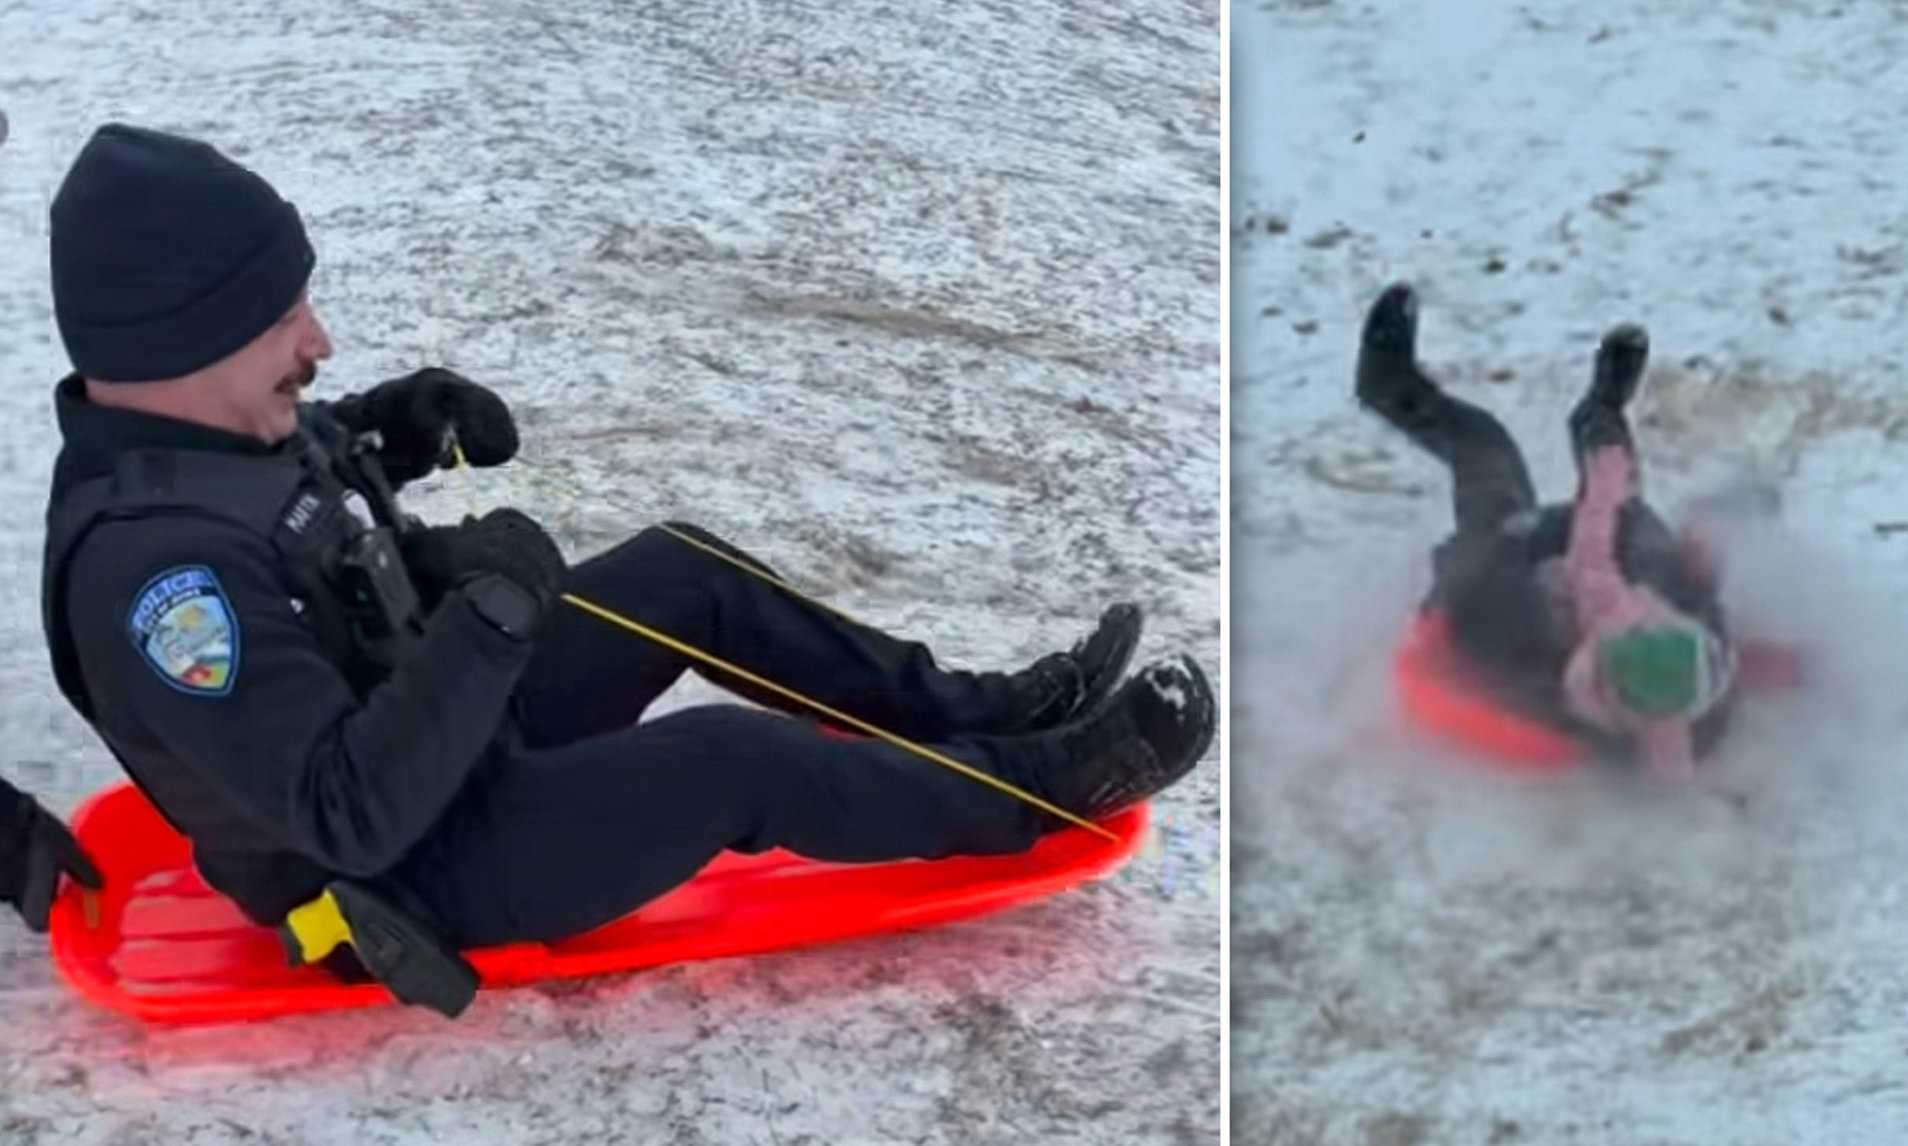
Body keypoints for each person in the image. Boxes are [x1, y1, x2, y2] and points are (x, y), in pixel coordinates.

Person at [35, 123, 1216, 979]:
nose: (319, 340)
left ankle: (988, 711)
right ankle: (1039, 790)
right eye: (282, 319)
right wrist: (493, 613)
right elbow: (350, 815)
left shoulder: (201, 429)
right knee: (730, 762)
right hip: (405, 875)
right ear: (185, 334)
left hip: (447, 738)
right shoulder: (158, 583)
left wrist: (393, 428)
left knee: (679, 572)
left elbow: (291, 508)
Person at [1354, 282, 1737, 780]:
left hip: (1505, 563)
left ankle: (1385, 384)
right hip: (1613, 551)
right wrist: (1701, 550)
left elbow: (1470, 608)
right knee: (1619, 481)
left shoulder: (1528, 668)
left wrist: (1510, 547)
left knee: (1486, 450)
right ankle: (1600, 410)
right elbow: (1704, 607)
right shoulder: (1688, 681)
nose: (1643, 614)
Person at [0, 776, 100, 933]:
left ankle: (46, 840)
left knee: (92, 880)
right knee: (40, 919)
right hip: (11, 867)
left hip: (30, 830)